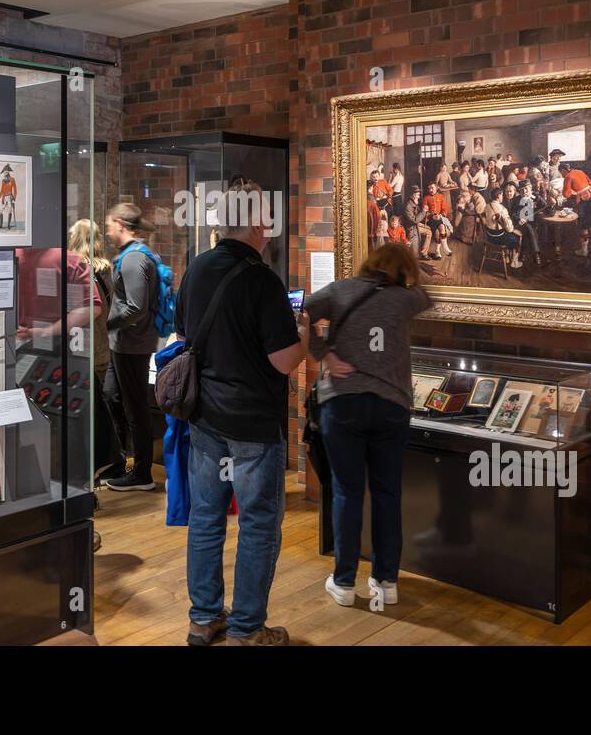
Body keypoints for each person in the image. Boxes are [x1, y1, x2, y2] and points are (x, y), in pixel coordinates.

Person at [178, 181, 308, 646]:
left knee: (207, 518)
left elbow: (184, 332)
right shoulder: (262, 280)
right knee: (257, 523)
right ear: (255, 223)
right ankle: (248, 629)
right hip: (253, 423)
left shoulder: (196, 270)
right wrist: (305, 335)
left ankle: (203, 618)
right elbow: (285, 361)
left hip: (205, 418)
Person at [306, 243, 431, 607]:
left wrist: (324, 352)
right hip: (391, 405)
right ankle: (386, 581)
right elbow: (425, 292)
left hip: (343, 402)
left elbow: (295, 312)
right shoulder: (408, 298)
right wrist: (412, 271)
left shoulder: (340, 290)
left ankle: (344, 582)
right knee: (388, 494)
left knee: (347, 492)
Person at [103, 203, 161, 491]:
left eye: (109, 226)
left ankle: (142, 473)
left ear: (120, 225)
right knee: (112, 396)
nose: (107, 231)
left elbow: (137, 307)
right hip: (124, 344)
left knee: (135, 407)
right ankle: (119, 461)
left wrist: (108, 322)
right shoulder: (130, 257)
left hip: (132, 345)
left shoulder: (134, 260)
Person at [67, 219, 121, 487]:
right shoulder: (106, 269)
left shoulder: (76, 270)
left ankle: (89, 471)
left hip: (81, 350)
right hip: (103, 347)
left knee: (85, 414)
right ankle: (104, 465)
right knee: (99, 409)